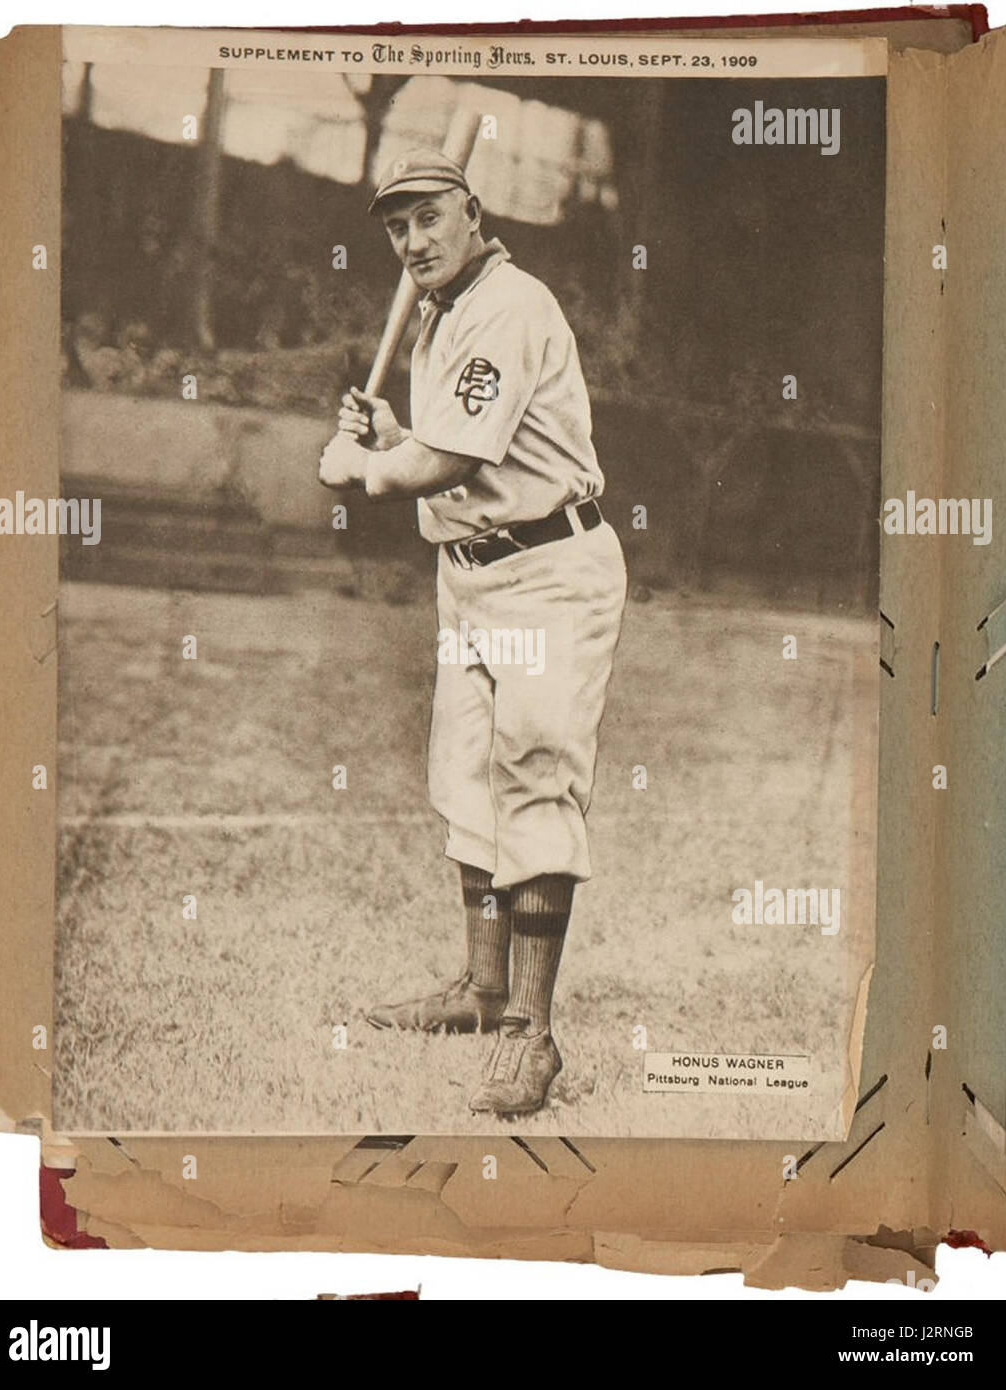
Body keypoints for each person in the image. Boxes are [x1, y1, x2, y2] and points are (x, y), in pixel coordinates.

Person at [319, 147, 627, 1116]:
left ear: (473, 215)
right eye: (396, 227)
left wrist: (363, 468)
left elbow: (450, 459)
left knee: (533, 780)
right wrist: (388, 438)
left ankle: (532, 1034)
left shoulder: (510, 307)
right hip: (471, 575)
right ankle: (482, 986)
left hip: (547, 572)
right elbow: (448, 447)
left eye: (428, 218)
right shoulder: (447, 312)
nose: (413, 241)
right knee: (464, 778)